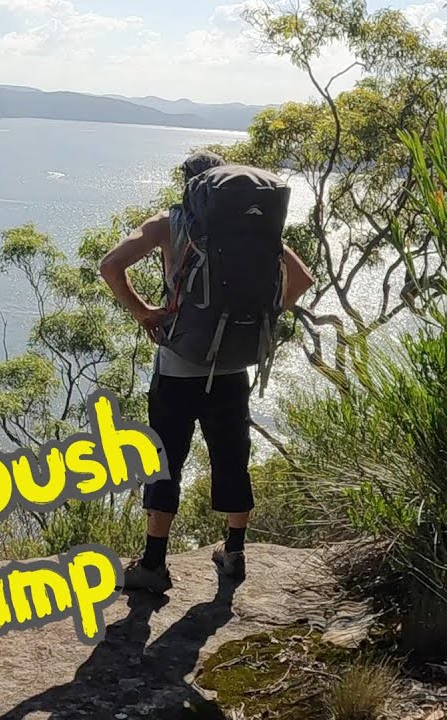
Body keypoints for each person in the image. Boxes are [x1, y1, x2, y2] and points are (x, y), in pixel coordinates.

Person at [98, 151, 315, 591]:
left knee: (165, 461)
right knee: (232, 457)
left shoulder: (169, 223)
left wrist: (144, 313)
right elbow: (302, 279)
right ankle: (234, 554)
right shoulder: (255, 230)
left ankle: (153, 565)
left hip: (180, 365)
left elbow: (110, 265)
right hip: (233, 364)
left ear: (189, 185)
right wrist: (262, 317)